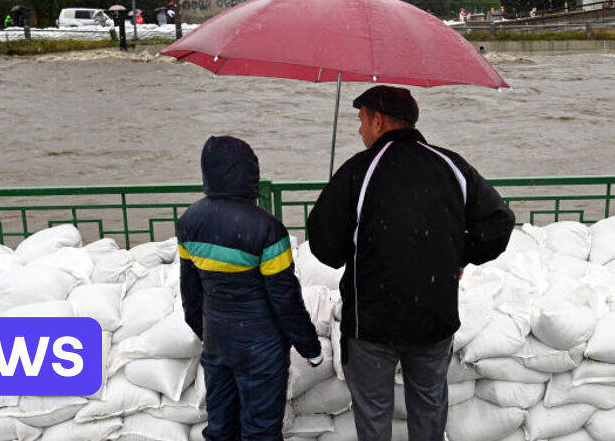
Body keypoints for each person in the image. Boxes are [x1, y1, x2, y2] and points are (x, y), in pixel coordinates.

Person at [307, 85, 515, 441]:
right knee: (429, 409)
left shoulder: (360, 170)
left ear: (378, 120)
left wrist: (342, 238)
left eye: (361, 121)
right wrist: (461, 254)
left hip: (372, 323)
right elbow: (499, 223)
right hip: (433, 318)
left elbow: (325, 247)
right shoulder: (451, 165)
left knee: (373, 417)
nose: (360, 131)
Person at [178, 136, 323, 441]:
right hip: (261, 347)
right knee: (260, 431)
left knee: (220, 426)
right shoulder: (267, 228)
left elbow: (190, 292)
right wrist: (309, 347)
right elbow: (285, 298)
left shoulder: (189, 222)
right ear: (249, 173)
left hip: (217, 339)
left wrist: (207, 334)